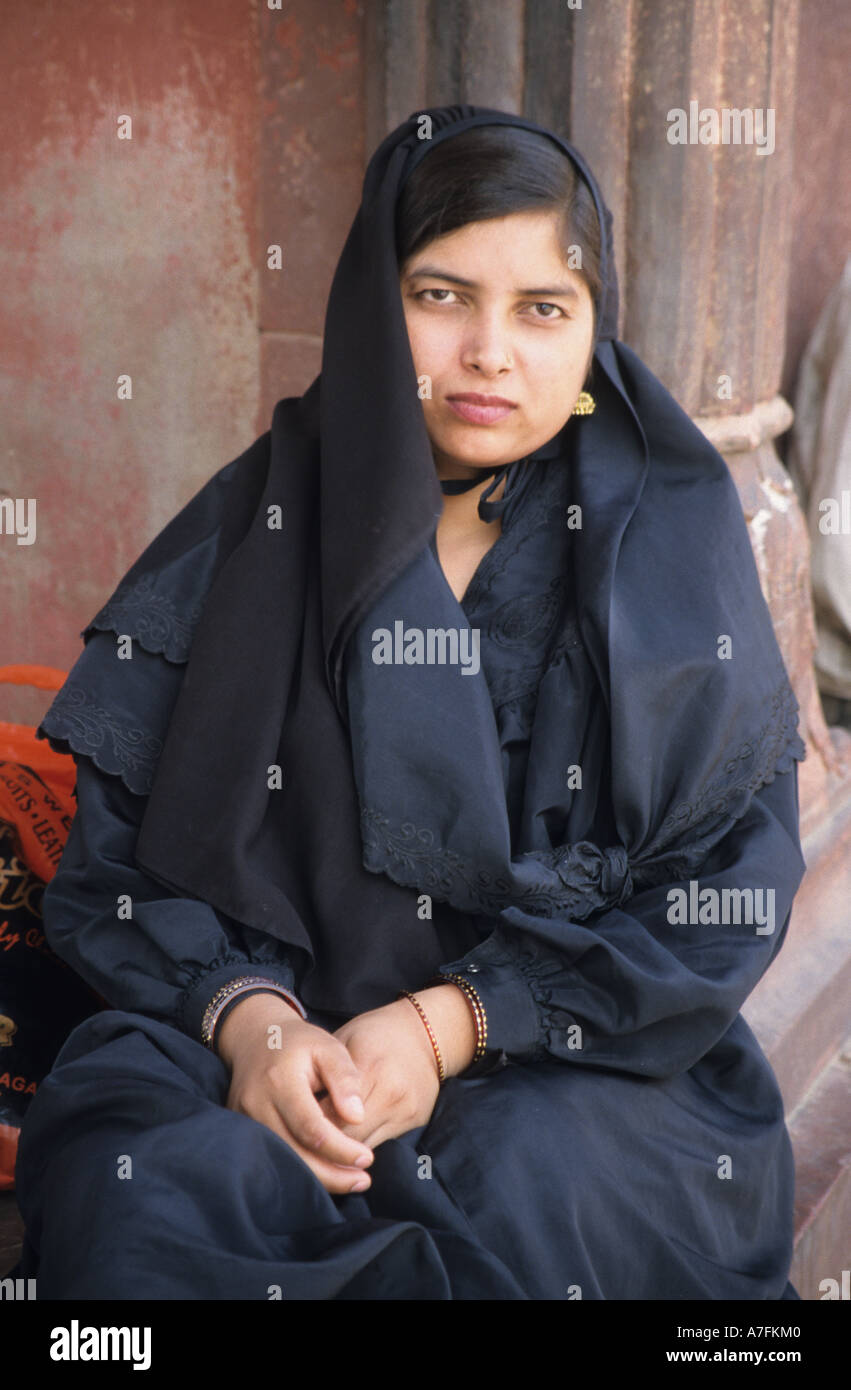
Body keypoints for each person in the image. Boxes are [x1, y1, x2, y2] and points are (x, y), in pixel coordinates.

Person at [12, 104, 808, 1300]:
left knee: (529, 1191)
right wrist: (253, 1029)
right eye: (439, 295)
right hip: (258, 1038)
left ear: (594, 325)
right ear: (370, 307)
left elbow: (719, 895)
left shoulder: (663, 547)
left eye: (543, 307)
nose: (490, 349)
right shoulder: (263, 519)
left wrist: (451, 1026)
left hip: (566, 1059)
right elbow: (118, 864)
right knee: (146, 1195)